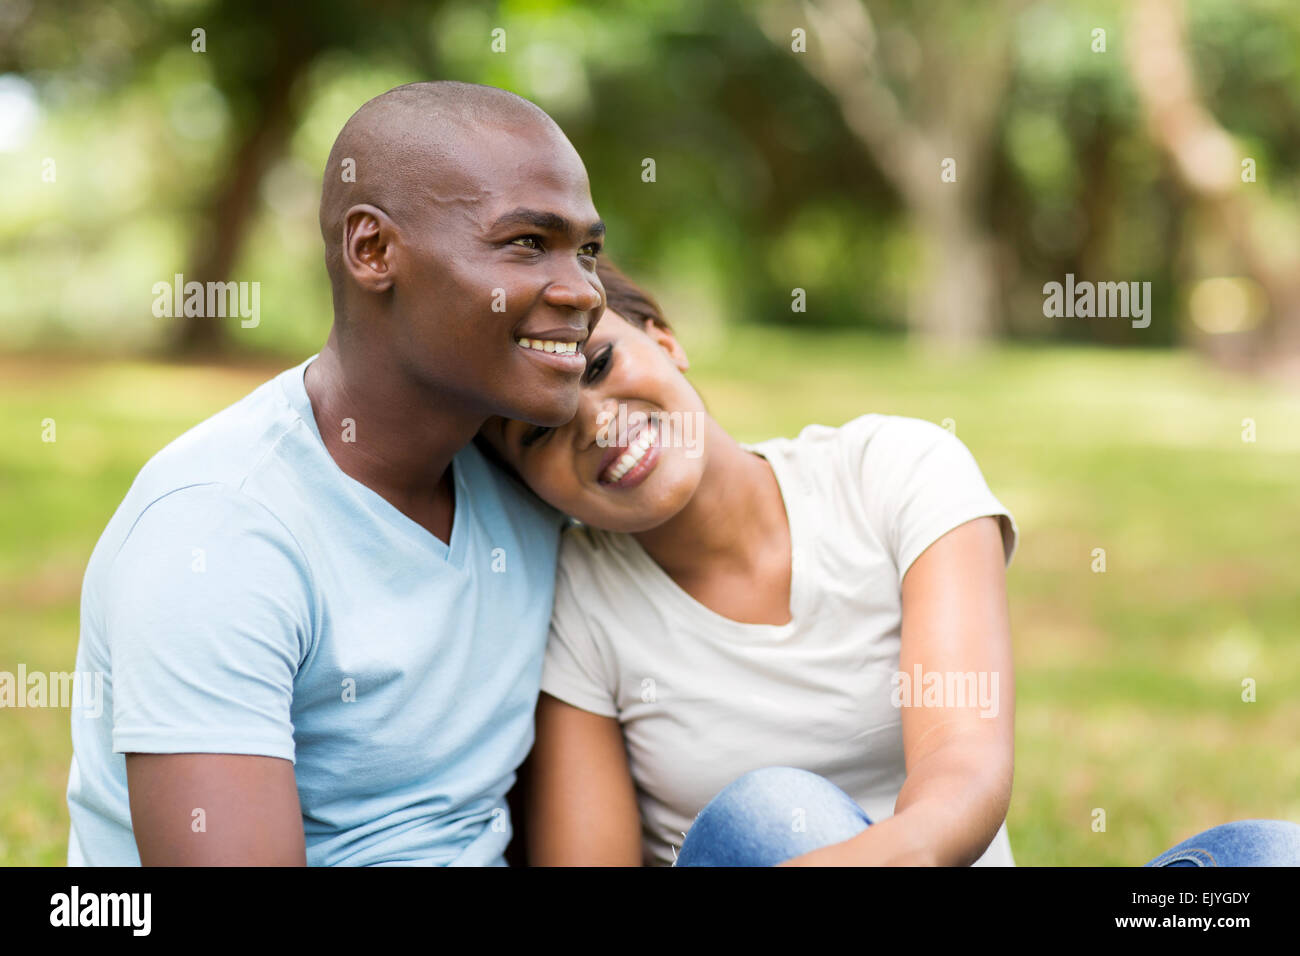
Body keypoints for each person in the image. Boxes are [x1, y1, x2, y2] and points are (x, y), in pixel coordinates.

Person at [480, 261, 1300, 867]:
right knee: (775, 811)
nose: (597, 424)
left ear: (665, 340)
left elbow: (963, 776)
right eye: (541, 431)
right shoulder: (577, 601)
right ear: (526, 483)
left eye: (599, 366)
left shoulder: (896, 469)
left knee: (1267, 858)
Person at [66, 80, 607, 866]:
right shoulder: (219, 530)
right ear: (373, 250)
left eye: (587, 250)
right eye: (527, 242)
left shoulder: (529, 481)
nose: (583, 289)